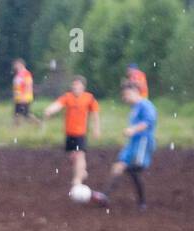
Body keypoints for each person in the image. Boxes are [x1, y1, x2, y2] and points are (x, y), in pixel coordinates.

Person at [93, 80, 157, 211]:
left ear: (135, 92)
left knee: (132, 170)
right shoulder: (135, 108)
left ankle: (142, 203)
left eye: (127, 94)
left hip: (142, 143)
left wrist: (133, 129)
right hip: (132, 143)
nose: (125, 98)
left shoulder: (145, 105)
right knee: (119, 165)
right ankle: (105, 195)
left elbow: (148, 122)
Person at [43, 76, 100, 189]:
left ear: (83, 87)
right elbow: (58, 105)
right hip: (69, 133)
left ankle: (77, 180)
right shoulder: (67, 97)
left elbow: (95, 115)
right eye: (74, 86)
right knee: (73, 156)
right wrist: (49, 110)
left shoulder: (89, 98)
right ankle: (81, 171)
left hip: (81, 133)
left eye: (78, 85)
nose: (76, 88)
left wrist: (96, 128)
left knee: (80, 155)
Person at [11, 59, 38, 126]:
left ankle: (38, 123)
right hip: (18, 98)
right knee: (16, 114)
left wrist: (23, 96)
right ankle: (15, 129)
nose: (15, 66)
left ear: (21, 65)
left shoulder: (26, 74)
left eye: (16, 64)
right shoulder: (18, 74)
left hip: (25, 98)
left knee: (26, 114)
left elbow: (28, 85)